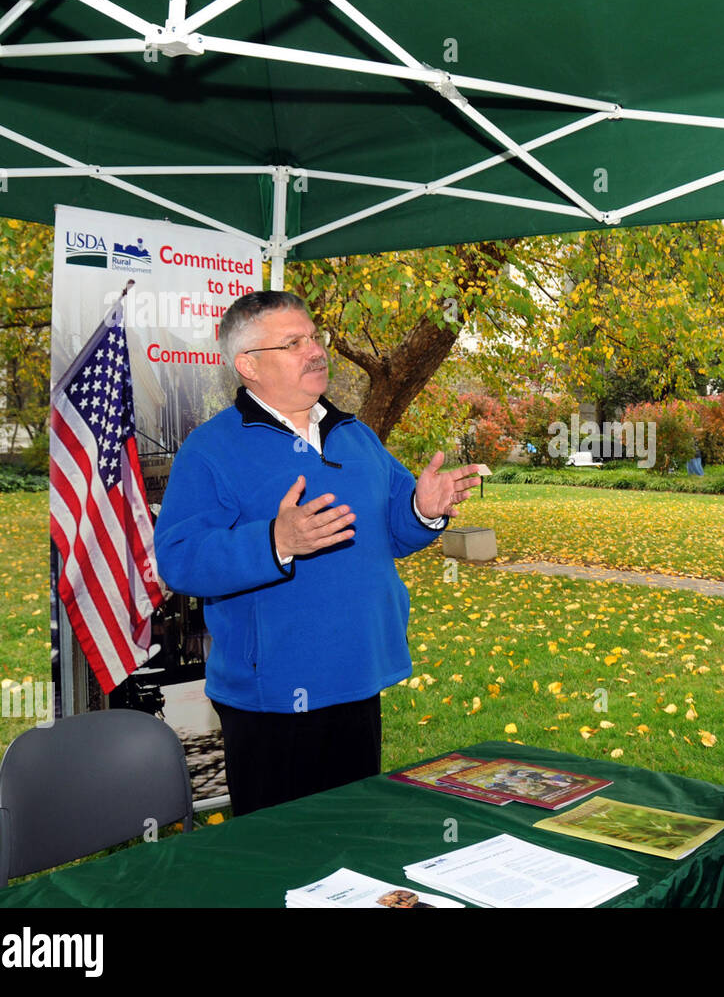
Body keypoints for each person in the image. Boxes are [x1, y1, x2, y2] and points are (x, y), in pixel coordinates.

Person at [154, 290, 480, 815]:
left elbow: (393, 532)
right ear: (248, 366)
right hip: (273, 698)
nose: (316, 351)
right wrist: (275, 541)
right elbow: (179, 558)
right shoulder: (211, 449)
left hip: (358, 675)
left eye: (314, 337)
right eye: (293, 343)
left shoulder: (355, 436)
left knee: (350, 841)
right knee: (280, 861)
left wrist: (423, 509)